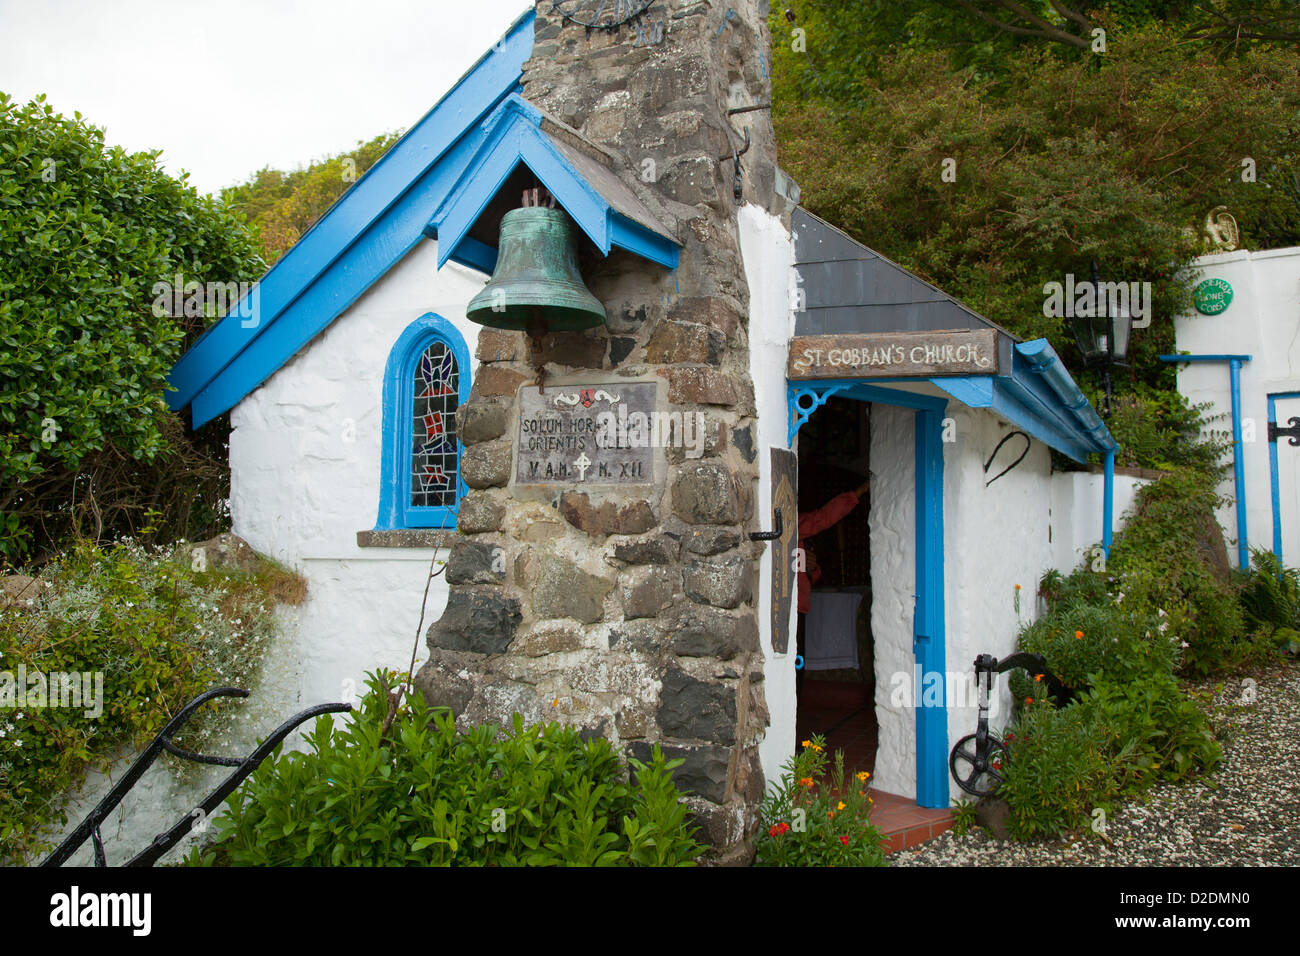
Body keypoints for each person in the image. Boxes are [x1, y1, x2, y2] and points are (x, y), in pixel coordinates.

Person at [797, 477, 871, 616]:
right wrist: (858, 493)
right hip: (792, 602)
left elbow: (806, 571)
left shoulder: (797, 531)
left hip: (799, 603)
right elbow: (824, 518)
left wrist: (811, 569)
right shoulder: (793, 526)